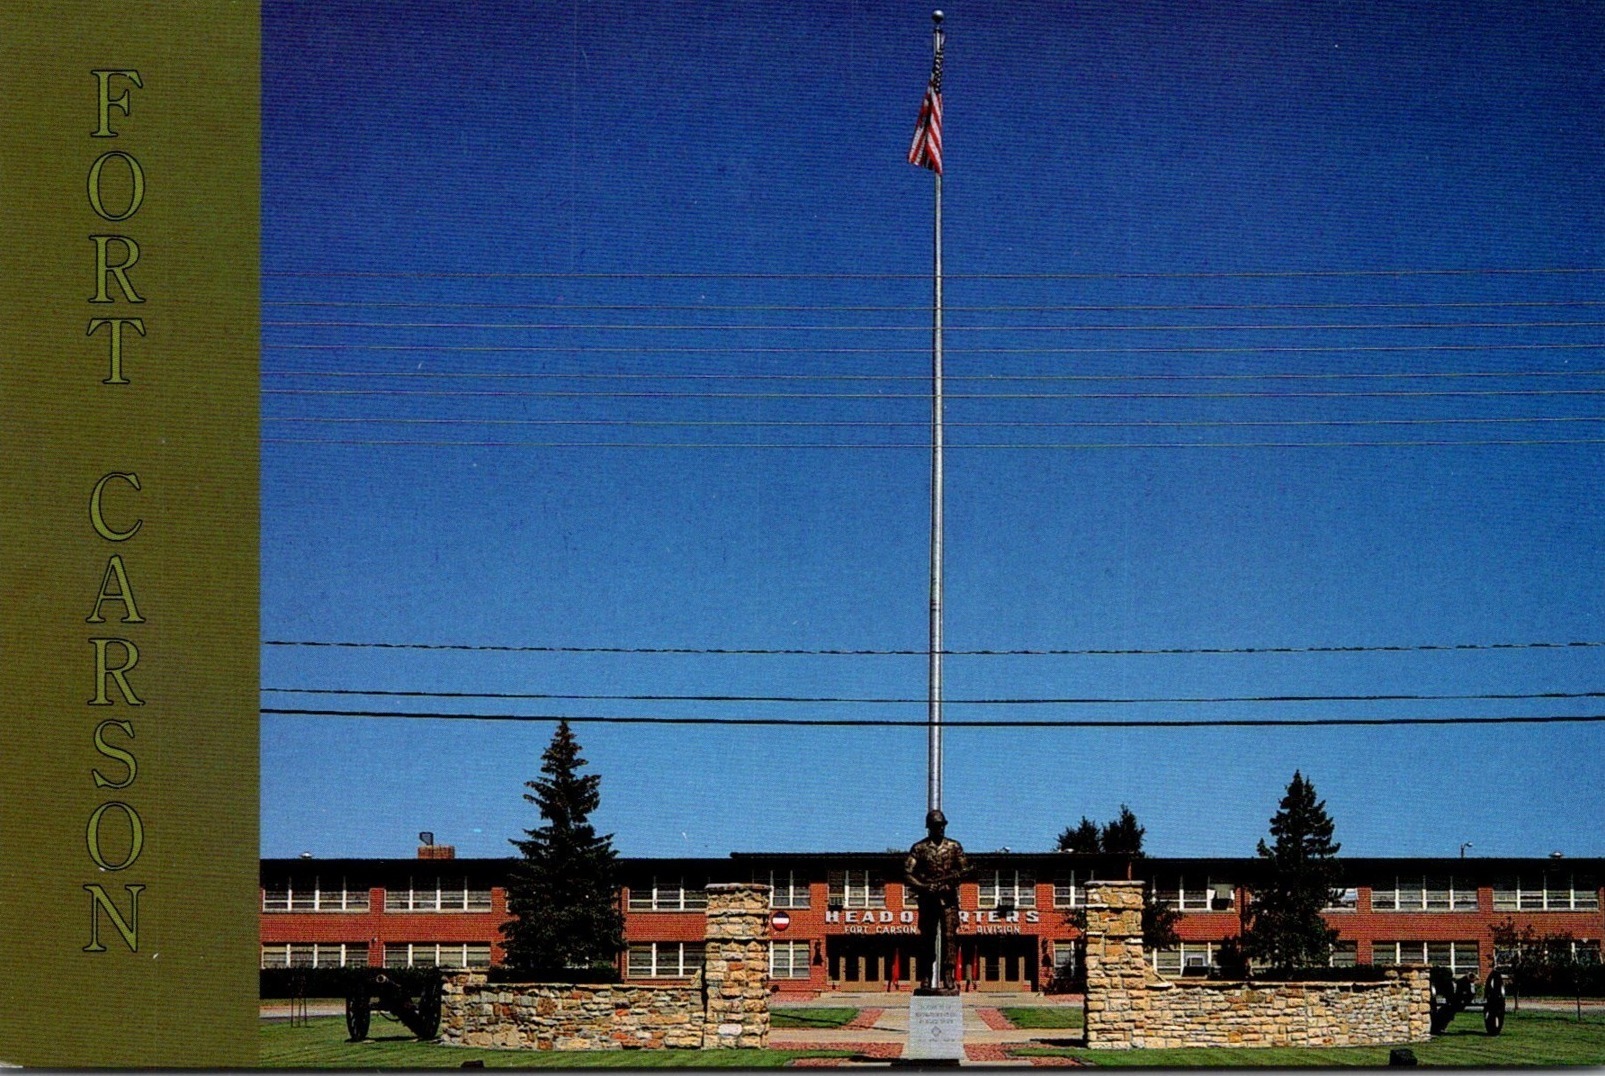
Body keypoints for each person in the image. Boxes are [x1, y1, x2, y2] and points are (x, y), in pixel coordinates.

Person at [902, 808, 971, 992]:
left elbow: (964, 870)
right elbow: (907, 873)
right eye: (936, 826)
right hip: (928, 900)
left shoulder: (954, 847)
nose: (940, 829)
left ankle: (948, 975)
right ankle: (926, 975)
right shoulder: (919, 848)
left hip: (948, 900)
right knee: (927, 938)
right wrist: (924, 887)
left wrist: (954, 880)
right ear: (929, 827)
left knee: (950, 937)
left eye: (942, 825)